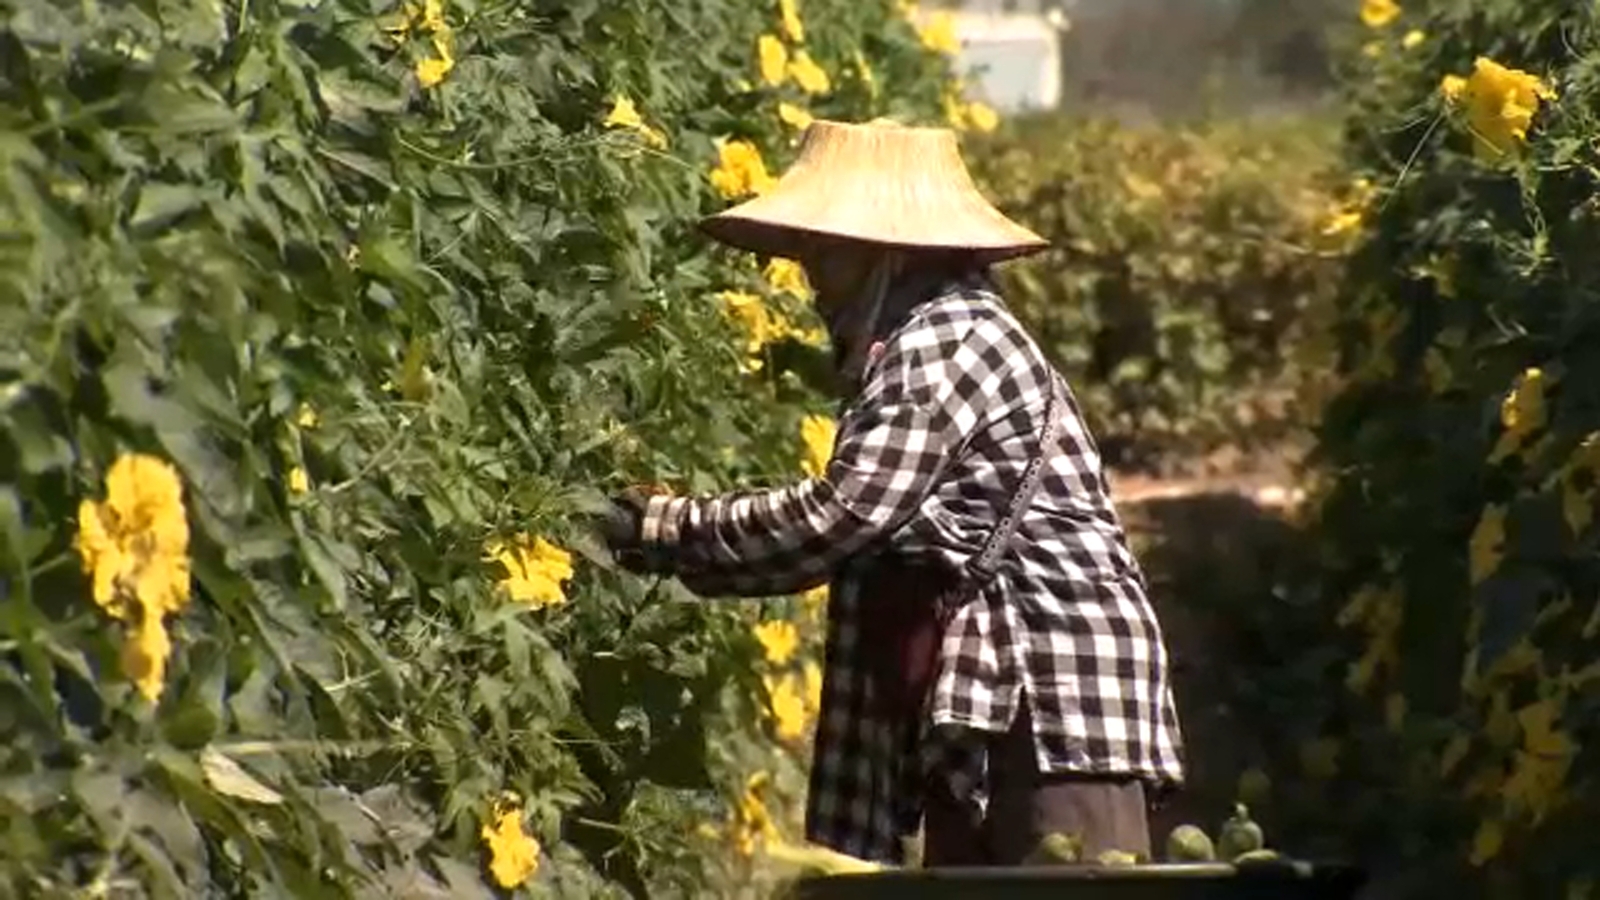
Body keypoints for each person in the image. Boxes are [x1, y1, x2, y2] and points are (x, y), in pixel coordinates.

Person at [597, 119, 1184, 867]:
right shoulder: (925, 337)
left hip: (1052, 700)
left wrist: (658, 527)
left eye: (826, 250)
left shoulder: (947, 341)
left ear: (890, 253)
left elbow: (839, 516)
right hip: (997, 700)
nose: (808, 271)